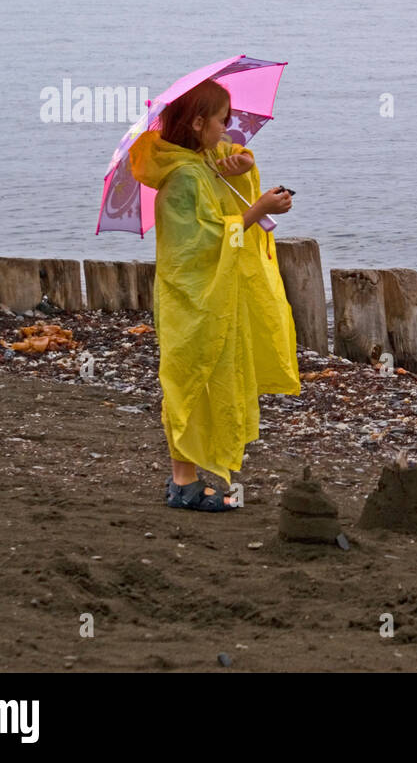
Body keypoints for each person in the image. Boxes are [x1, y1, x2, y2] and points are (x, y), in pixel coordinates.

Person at [129, 78, 300, 511]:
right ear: (199, 122)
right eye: (223, 121)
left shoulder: (194, 161)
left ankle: (183, 479)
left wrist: (237, 163)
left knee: (195, 377)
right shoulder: (184, 176)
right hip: (191, 295)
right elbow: (205, 239)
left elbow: (218, 164)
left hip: (197, 292)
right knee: (190, 379)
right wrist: (259, 209)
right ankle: (183, 484)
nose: (228, 129)